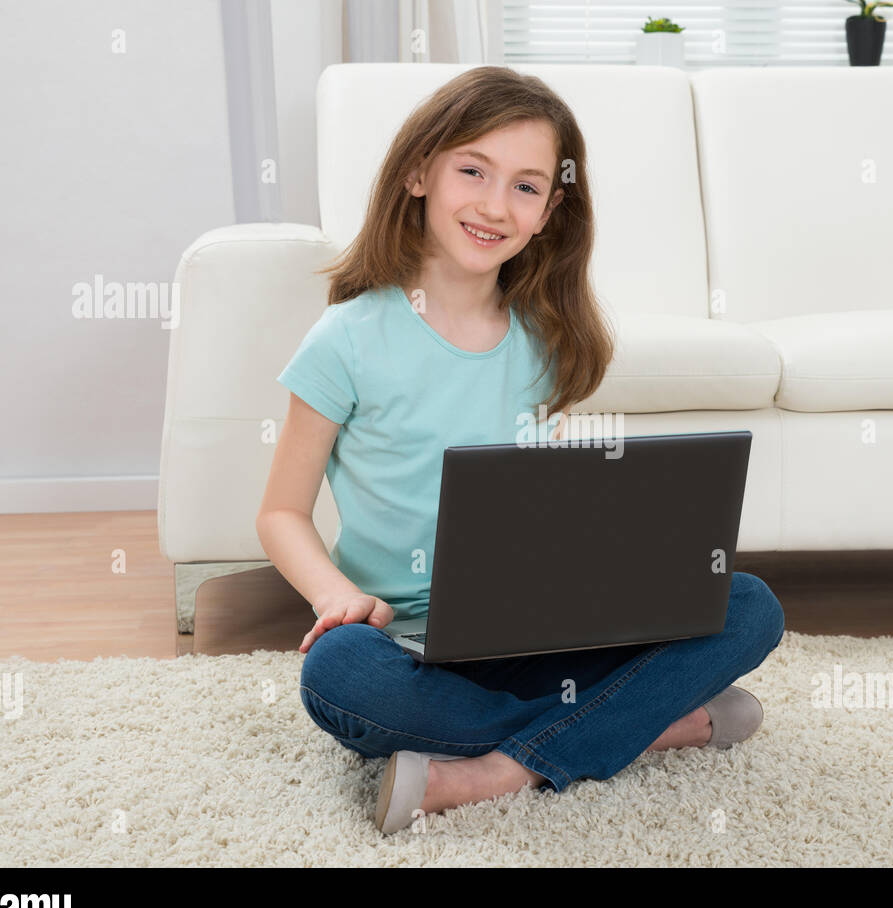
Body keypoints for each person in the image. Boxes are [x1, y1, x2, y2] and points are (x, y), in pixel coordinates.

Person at [256, 66, 785, 836]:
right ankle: (655, 722)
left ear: (550, 211)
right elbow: (279, 512)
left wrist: (607, 566)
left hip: (537, 633)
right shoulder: (346, 340)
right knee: (336, 676)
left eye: (526, 186)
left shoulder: (541, 342)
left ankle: (495, 769)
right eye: (473, 170)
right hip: (408, 645)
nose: (495, 205)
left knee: (749, 605)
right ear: (418, 172)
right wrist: (334, 596)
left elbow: (547, 504)